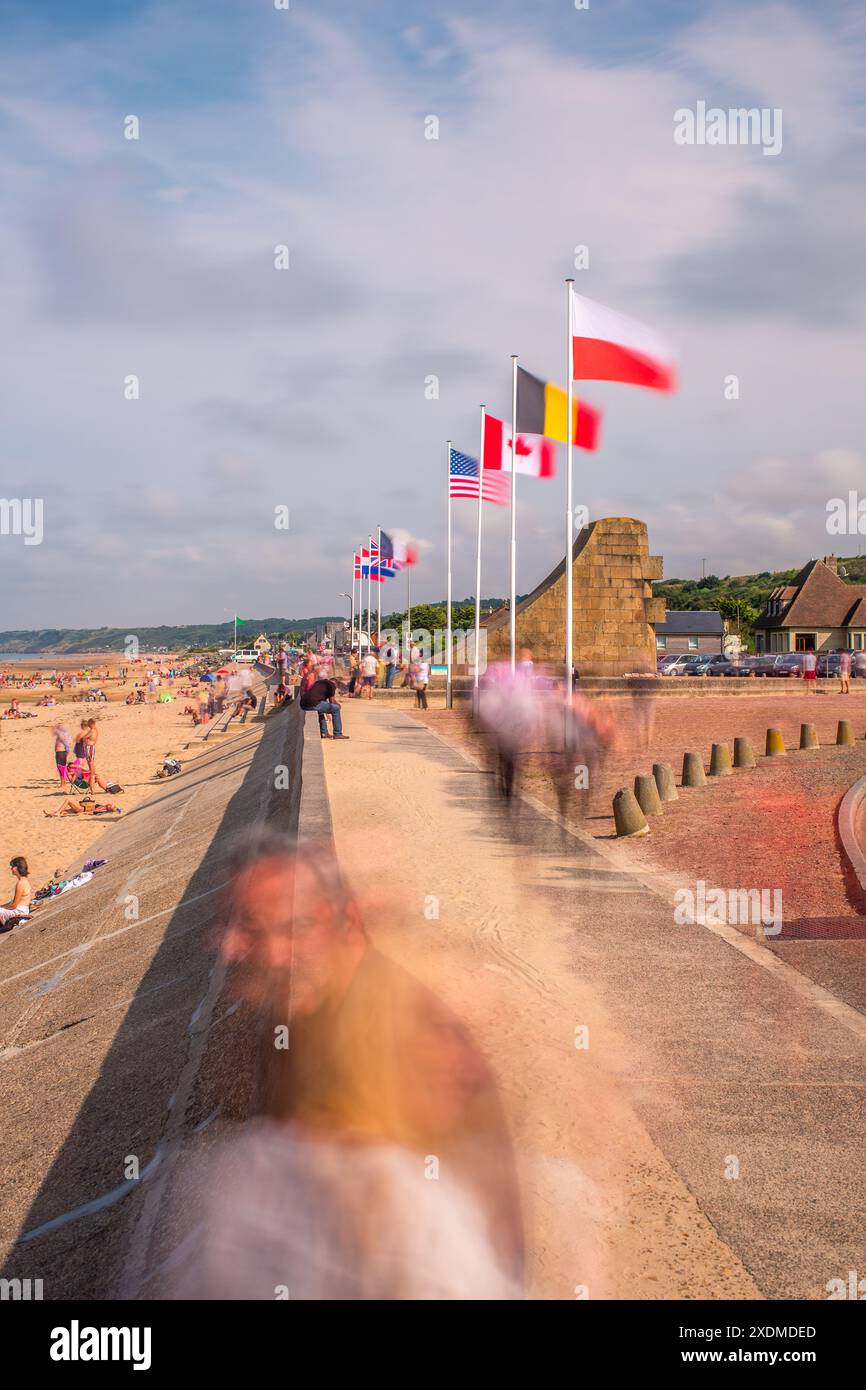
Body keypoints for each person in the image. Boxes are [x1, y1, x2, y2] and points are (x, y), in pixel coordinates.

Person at [299, 672, 349, 739]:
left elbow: (322, 701)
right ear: (336, 684)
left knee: (321, 711)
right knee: (336, 709)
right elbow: (332, 701)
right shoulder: (332, 686)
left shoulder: (319, 682)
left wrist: (327, 712)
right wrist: (339, 705)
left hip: (303, 704)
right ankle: (338, 733)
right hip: (313, 703)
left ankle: (324, 733)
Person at [0, 857, 32, 930]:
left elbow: (14, 905)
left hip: (19, 912)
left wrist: (2, 908)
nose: (11, 869)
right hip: (24, 910)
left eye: (12, 866)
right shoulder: (25, 880)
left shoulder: (20, 883)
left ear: (17, 867)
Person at [44, 799, 122, 818]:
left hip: (81, 809)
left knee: (68, 800)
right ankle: (53, 813)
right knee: (64, 810)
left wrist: (83, 813)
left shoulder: (102, 809)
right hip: (82, 808)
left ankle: (57, 812)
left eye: (110, 806)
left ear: (109, 808)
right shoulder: (102, 806)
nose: (109, 804)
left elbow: (93, 812)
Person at [52, 724, 72, 788]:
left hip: (60, 752)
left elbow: (66, 743)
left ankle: (62, 784)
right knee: (62, 768)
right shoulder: (65, 734)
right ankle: (63, 783)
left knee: (61, 768)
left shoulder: (62, 734)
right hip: (62, 752)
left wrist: (68, 750)